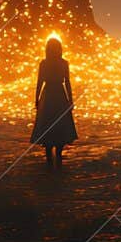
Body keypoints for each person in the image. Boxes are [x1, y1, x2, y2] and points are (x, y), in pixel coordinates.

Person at [31, 36, 78, 169]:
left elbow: (39, 82)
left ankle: (49, 161)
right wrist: (70, 99)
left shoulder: (44, 63)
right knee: (59, 124)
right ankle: (58, 155)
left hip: (48, 95)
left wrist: (37, 99)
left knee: (47, 123)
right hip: (59, 95)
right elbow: (67, 82)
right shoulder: (64, 63)